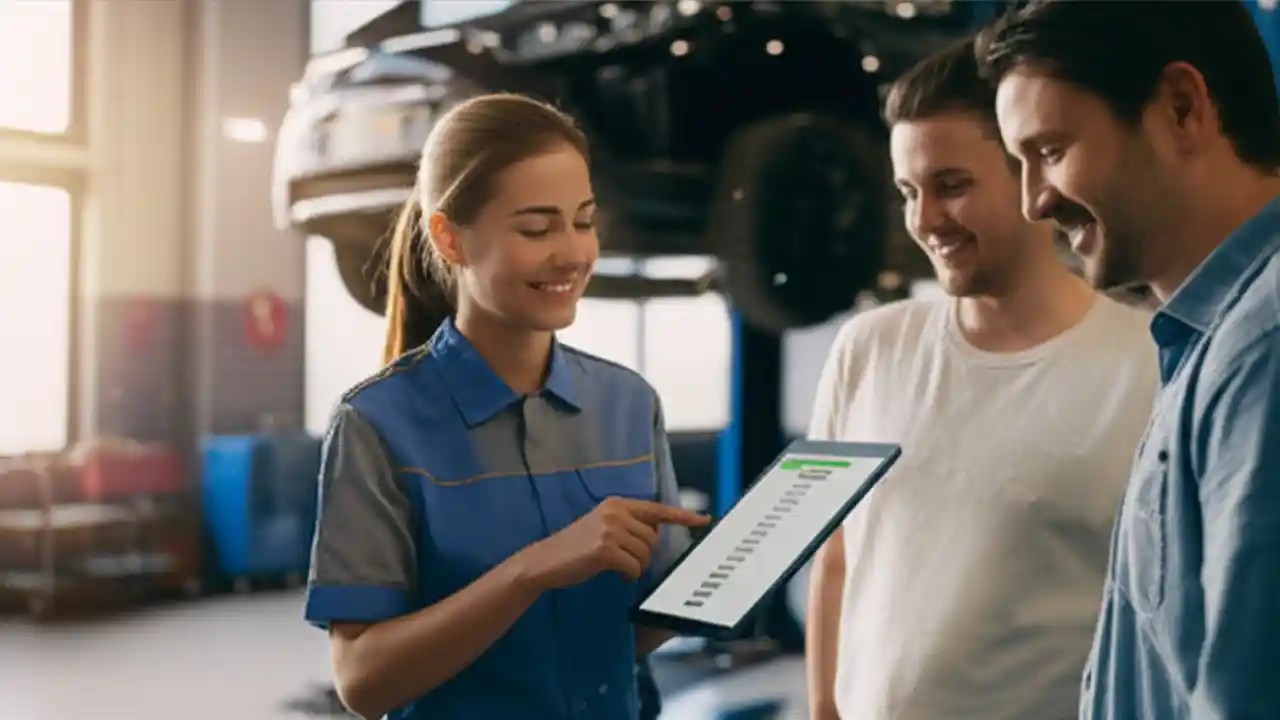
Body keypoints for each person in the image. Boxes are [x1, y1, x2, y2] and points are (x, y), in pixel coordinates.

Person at [303, 93, 709, 720]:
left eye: (584, 220)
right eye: (537, 228)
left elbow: (629, 635)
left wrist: (730, 576)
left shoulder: (629, 405)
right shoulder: (378, 425)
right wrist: (532, 572)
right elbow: (362, 682)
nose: (573, 253)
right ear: (449, 237)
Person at [804, 39, 1159, 720]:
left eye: (952, 186)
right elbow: (837, 555)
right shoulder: (866, 348)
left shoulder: (1144, 360)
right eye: (909, 192)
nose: (925, 220)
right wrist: (822, 707)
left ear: (1031, 178)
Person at [978, 2, 1280, 717]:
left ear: (1182, 108)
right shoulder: (1210, 340)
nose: (1031, 202)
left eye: (1049, 152)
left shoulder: (1263, 352)